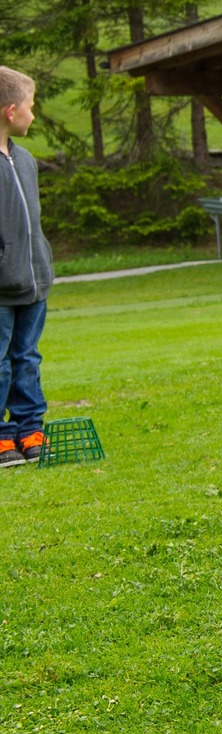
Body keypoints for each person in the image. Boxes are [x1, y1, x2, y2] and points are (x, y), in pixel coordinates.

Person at [0, 67, 52, 469]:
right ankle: (2, 438)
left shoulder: (26, 160)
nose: (34, 116)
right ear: (11, 111)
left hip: (35, 285)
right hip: (2, 288)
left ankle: (29, 428)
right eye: (31, 108)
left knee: (27, 357)